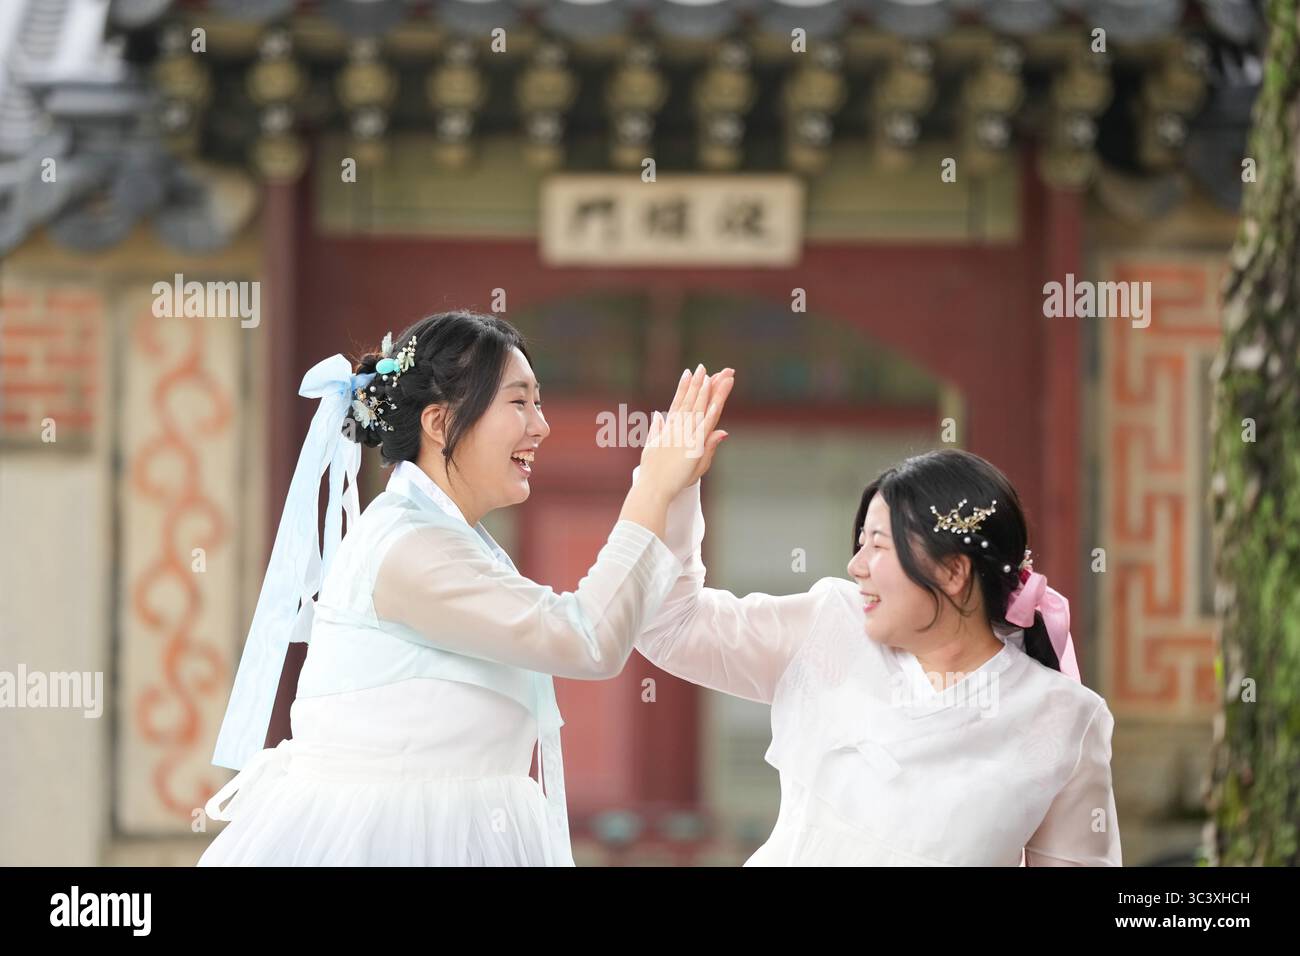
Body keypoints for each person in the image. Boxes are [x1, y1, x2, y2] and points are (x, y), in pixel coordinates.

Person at [199, 309, 733, 865]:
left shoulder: (444, 536)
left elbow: (604, 628)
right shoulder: (406, 547)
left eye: (538, 401)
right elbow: (586, 637)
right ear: (439, 422)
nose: (541, 425)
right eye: (519, 401)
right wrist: (652, 483)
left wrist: (669, 486)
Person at [635, 447, 1121, 866]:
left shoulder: (1065, 718)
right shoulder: (829, 625)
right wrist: (667, 487)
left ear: (953, 571)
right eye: (860, 542)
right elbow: (668, 626)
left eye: (878, 545)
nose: (856, 565)